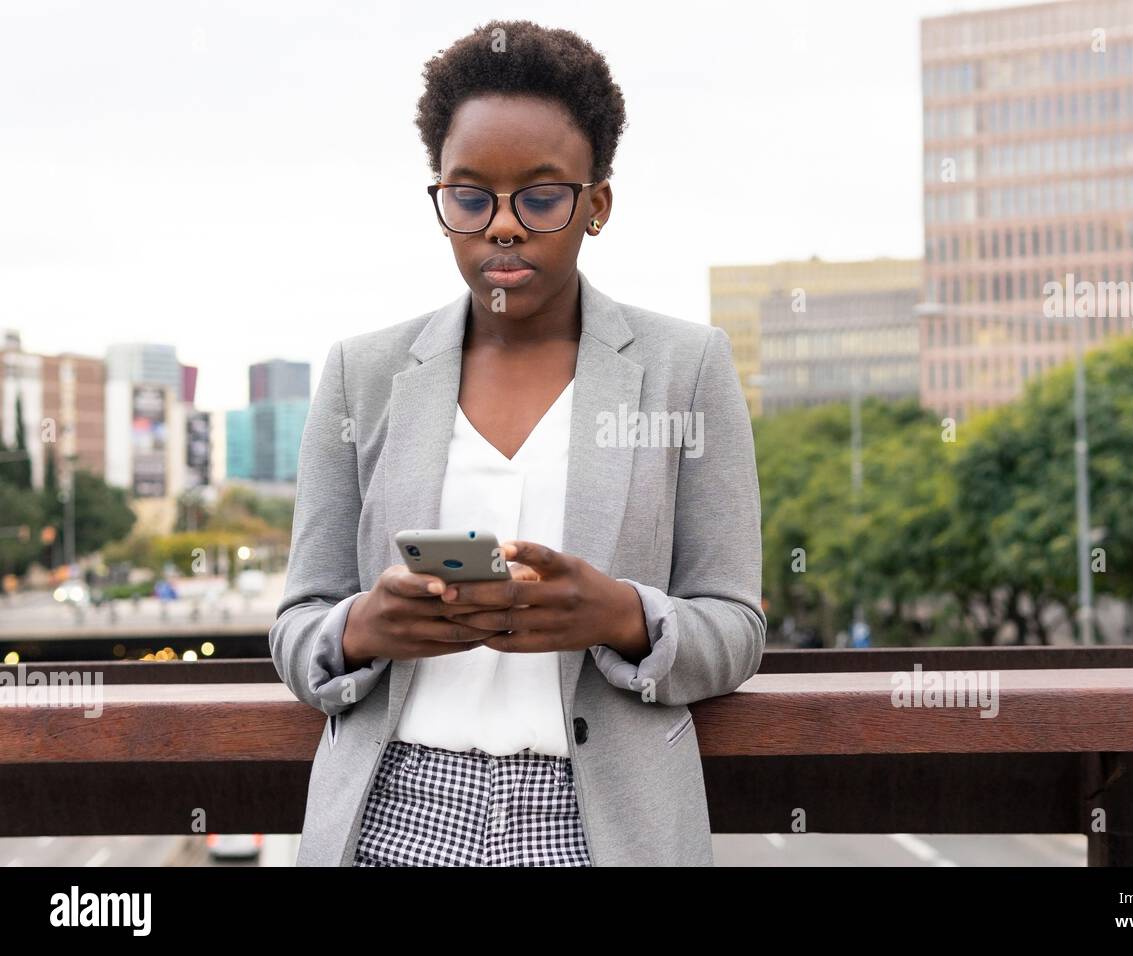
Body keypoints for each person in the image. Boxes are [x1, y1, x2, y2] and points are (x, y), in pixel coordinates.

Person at [270, 19, 765, 867]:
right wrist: (364, 627)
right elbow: (296, 628)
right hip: (393, 815)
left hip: (602, 823)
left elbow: (737, 626)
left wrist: (620, 615)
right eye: (470, 197)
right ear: (441, 201)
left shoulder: (687, 368)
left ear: (597, 204)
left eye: (540, 198)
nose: (503, 227)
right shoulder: (364, 372)